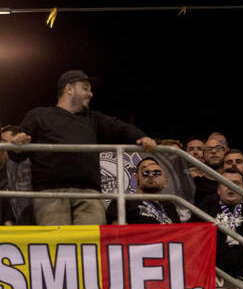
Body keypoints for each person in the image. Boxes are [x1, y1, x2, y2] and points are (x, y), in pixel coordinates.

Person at [9, 70, 156, 226]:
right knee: (58, 239)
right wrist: (17, 144)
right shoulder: (39, 115)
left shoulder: (93, 119)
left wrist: (142, 137)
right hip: (50, 193)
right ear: (69, 89)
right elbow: (17, 153)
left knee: (90, 239)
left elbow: (120, 127)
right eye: (85, 88)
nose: (90, 94)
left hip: (89, 193)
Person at [106, 156, 182, 224]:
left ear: (165, 180)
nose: (151, 175)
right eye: (145, 172)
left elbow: (180, 232)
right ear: (136, 177)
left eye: (156, 172)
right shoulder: (123, 201)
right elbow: (117, 232)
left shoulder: (169, 206)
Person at [1, 124, 31, 224]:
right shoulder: (6, 159)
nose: (2, 145)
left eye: (5, 141)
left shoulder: (24, 159)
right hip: (12, 209)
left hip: (26, 209)